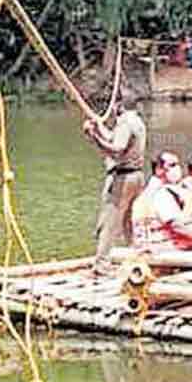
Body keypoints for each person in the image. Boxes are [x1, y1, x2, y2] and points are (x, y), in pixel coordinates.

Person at [83, 97, 147, 271]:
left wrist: (94, 137)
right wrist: (98, 128)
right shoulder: (136, 121)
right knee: (127, 220)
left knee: (111, 221)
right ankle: (136, 254)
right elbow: (113, 137)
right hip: (136, 176)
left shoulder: (126, 123)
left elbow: (117, 149)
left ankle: (101, 263)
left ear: (118, 107)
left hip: (124, 178)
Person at [130, 151, 192, 253]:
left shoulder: (148, 192)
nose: (178, 169)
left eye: (177, 165)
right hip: (162, 249)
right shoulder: (161, 193)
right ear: (159, 170)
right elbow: (178, 225)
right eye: (172, 165)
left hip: (155, 246)